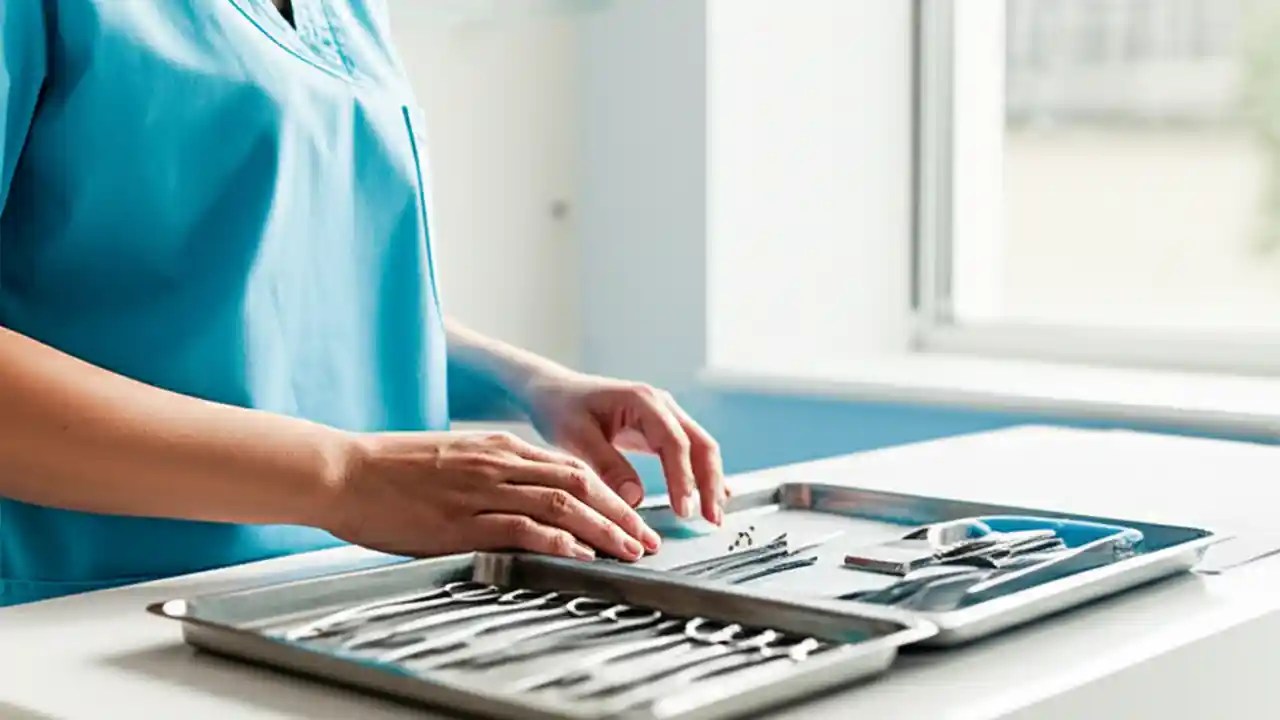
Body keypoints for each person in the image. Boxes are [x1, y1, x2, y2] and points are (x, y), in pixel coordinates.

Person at [0, 0, 725, 606]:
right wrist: (344, 477)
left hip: (357, 595)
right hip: (90, 615)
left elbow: (294, 294)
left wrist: (533, 384)